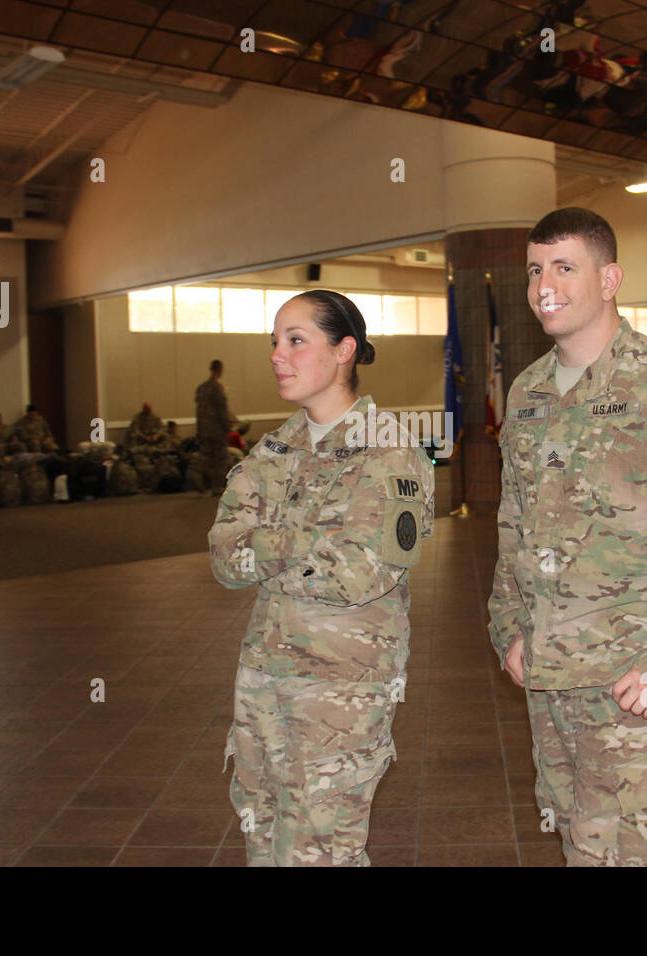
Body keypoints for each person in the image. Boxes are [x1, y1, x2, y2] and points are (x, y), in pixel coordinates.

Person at [488, 207, 647, 866]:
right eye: (535, 269)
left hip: (632, 687)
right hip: (550, 680)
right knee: (578, 844)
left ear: (610, 279)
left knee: (627, 854)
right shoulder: (528, 395)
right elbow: (513, 526)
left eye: (564, 267)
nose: (544, 284)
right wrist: (508, 629)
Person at [210, 290, 434, 867]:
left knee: (322, 850)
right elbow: (224, 559)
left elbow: (361, 572)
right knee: (262, 836)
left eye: (295, 340)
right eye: (274, 342)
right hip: (264, 678)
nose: (277, 355)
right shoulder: (273, 450)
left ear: (344, 351)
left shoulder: (389, 450)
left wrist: (270, 547)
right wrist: (307, 543)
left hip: (341, 689)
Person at [196, 360, 237, 494]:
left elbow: (198, 411)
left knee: (206, 457)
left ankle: (200, 481)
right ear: (219, 370)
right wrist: (227, 428)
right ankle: (217, 487)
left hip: (204, 430)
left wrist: (199, 430)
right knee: (220, 459)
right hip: (217, 430)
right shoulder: (218, 388)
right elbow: (221, 410)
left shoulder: (201, 388)